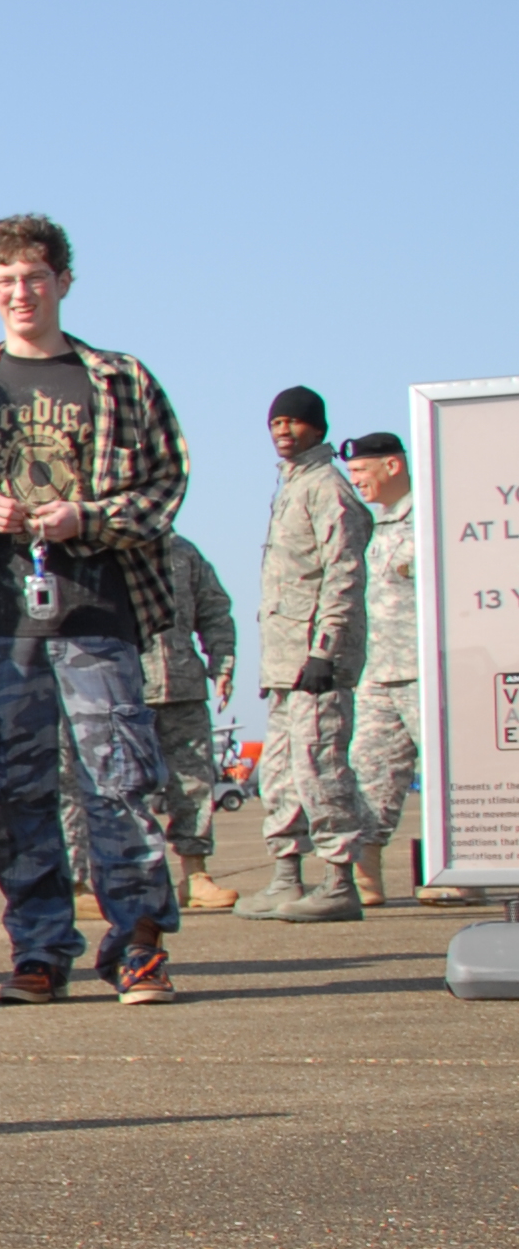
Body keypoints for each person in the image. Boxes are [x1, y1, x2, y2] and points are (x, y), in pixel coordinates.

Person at [0, 215, 190, 1004]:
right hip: (5, 618)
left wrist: (87, 519)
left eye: (35, 277)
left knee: (119, 779)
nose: (21, 292)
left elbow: (165, 486)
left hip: (97, 610)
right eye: (6, 281)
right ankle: (38, 948)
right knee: (17, 788)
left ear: (63, 281)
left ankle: (138, 943)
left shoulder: (121, 381)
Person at [238, 388, 372, 922]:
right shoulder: (290, 485)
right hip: (284, 664)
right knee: (280, 774)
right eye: (276, 422)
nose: (283, 430)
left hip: (317, 664)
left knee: (321, 767)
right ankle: (286, 878)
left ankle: (339, 882)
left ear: (318, 428)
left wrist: (325, 650)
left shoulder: (328, 488)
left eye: (294, 422)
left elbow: (343, 573)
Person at [66, 535, 241, 916]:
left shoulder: (183, 551)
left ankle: (195, 874)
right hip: (115, 687)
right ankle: (84, 882)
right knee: (106, 785)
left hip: (181, 685)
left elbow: (213, 608)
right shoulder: (97, 544)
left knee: (193, 784)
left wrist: (222, 663)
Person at [344, 430, 419, 905]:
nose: (355, 482)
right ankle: (366, 874)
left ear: (392, 466)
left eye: (360, 472)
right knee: (371, 772)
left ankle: (462, 868)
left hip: (428, 670)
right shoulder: (375, 526)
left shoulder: (432, 518)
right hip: (378, 671)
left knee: (448, 775)